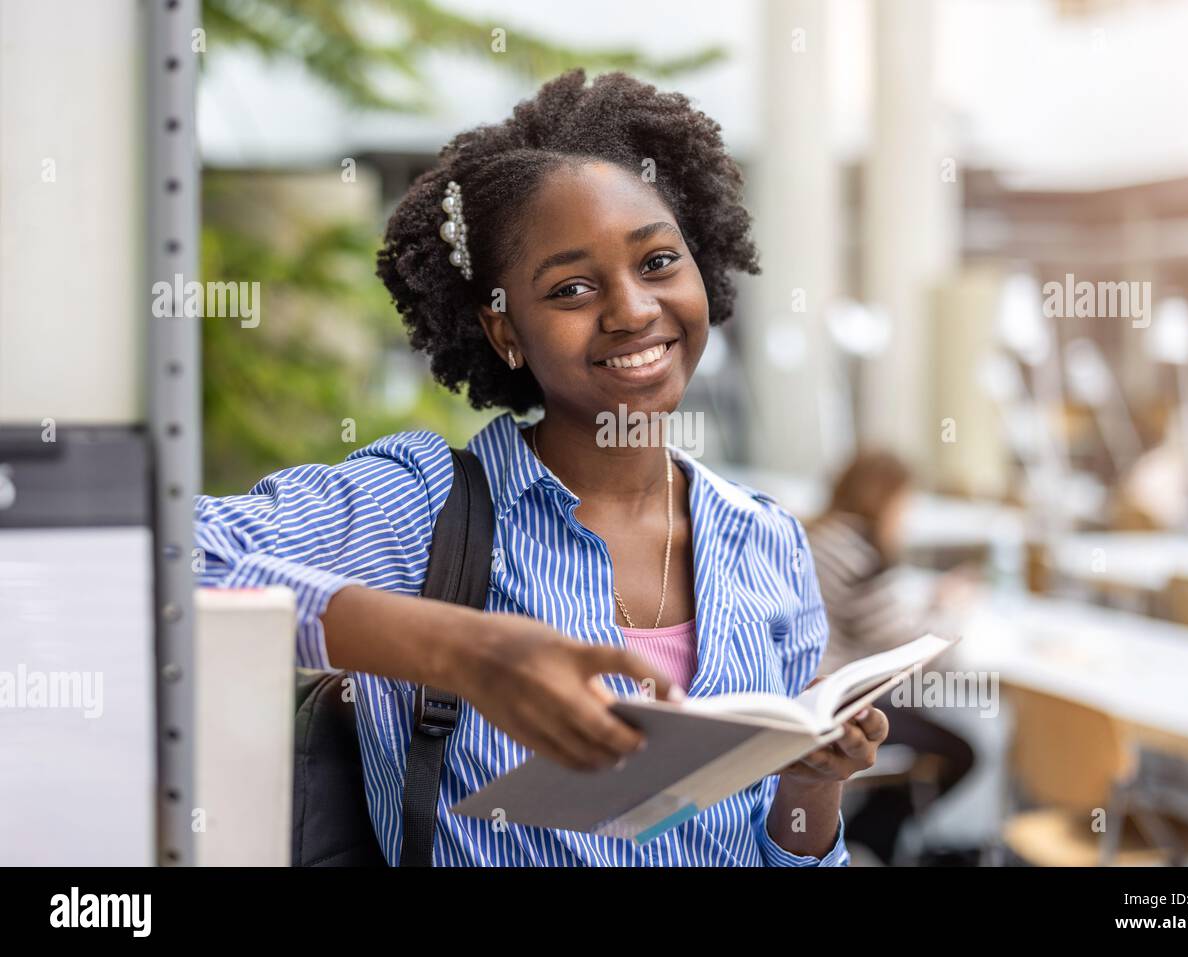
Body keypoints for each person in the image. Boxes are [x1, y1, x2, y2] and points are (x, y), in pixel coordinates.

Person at [194, 70, 887, 866]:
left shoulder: (766, 542)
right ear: (504, 331)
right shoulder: (422, 509)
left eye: (658, 261)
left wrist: (808, 790)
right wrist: (456, 648)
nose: (631, 309)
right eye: (572, 287)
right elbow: (159, 561)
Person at [807, 451, 976, 864]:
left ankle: (872, 839)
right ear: (886, 500)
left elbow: (875, 624)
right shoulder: (855, 552)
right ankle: (871, 839)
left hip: (814, 689)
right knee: (960, 753)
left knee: (918, 725)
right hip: (832, 700)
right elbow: (911, 652)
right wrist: (950, 607)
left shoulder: (825, 536)